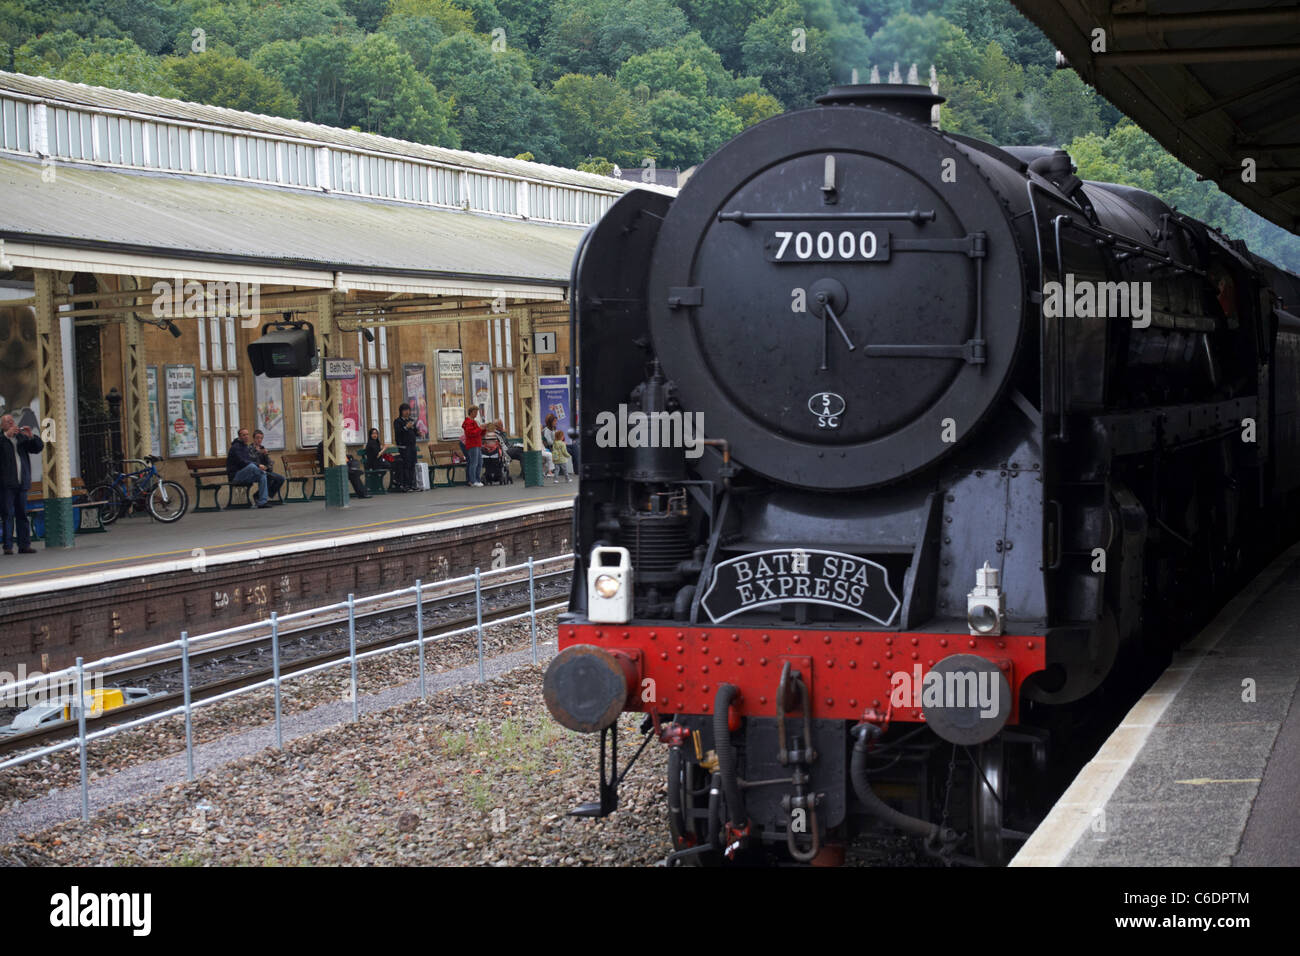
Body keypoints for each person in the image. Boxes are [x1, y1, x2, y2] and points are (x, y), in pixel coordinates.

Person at [0, 413, 43, 554]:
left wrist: (31, 436)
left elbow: (37, 448)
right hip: (6, 484)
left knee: (22, 514)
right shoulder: (2, 439)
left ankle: (24, 545)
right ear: (2, 426)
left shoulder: (21, 438)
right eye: (7, 422)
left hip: (21, 482)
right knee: (7, 514)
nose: (11, 423)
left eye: (12, 421)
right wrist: (6, 436)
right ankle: (8, 546)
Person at [226, 426, 272, 508]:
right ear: (240, 437)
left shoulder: (244, 446)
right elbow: (242, 462)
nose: (246, 436)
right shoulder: (236, 447)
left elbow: (251, 459)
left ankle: (262, 502)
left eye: (247, 434)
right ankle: (262, 472)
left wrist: (261, 456)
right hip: (236, 476)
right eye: (244, 435)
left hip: (245, 475)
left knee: (262, 476)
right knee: (252, 466)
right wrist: (258, 465)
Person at [251, 430, 285, 502]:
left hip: (265, 470)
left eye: (261, 438)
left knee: (281, 478)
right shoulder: (250, 448)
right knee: (270, 478)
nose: (259, 440)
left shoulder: (262, 448)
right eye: (257, 438)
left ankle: (265, 495)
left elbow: (269, 462)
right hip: (256, 471)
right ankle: (260, 496)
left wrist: (266, 456)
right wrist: (258, 452)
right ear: (254, 438)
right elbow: (252, 460)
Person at [393, 403, 418, 492]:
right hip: (404, 446)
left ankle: (412, 484)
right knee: (406, 465)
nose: (407, 412)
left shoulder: (411, 420)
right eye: (405, 410)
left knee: (412, 464)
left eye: (408, 410)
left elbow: (414, 431)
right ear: (401, 411)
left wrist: (418, 432)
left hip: (412, 446)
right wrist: (405, 427)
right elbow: (398, 432)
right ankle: (406, 484)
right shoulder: (398, 421)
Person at [462, 405, 484, 487]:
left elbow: (479, 433)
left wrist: (483, 429)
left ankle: (477, 479)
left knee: (479, 462)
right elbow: (470, 433)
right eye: (475, 412)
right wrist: (480, 429)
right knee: (474, 463)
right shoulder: (468, 422)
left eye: (477, 412)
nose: (476, 413)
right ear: (471, 412)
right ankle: (473, 480)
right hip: (472, 444)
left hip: (477, 444)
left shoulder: (474, 422)